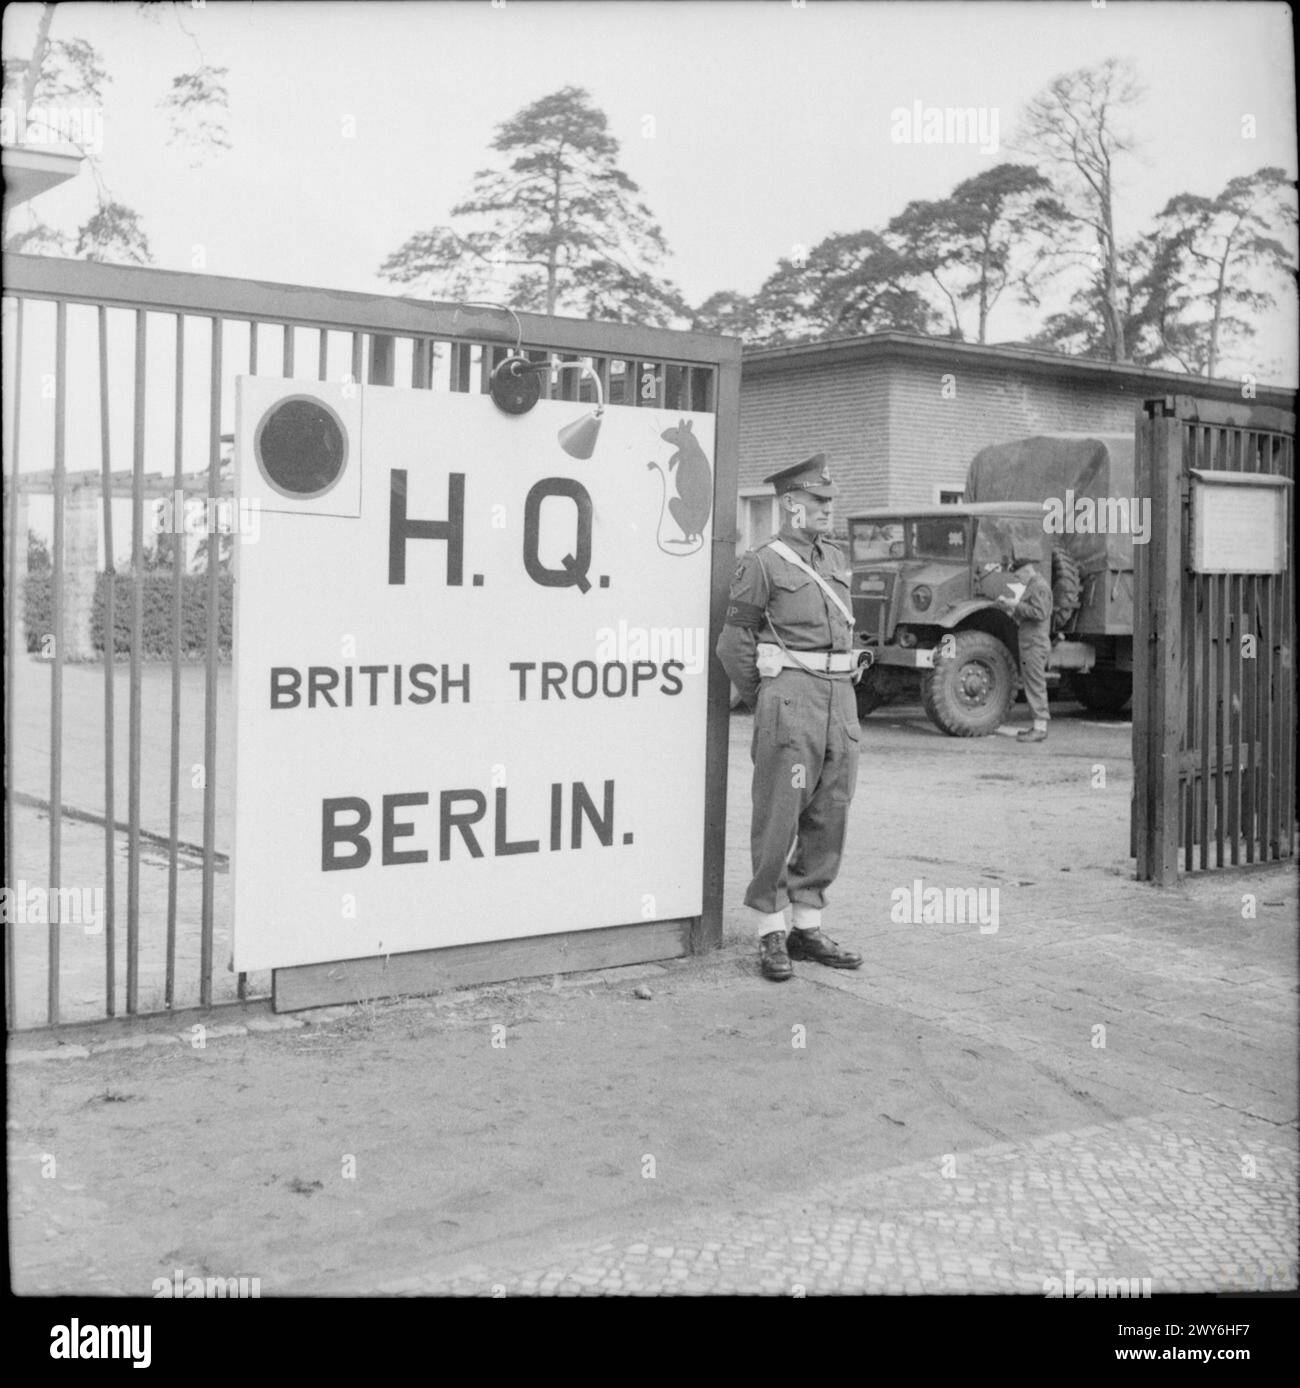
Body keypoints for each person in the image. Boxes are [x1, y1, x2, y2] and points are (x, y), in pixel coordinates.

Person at [716, 453, 864, 982]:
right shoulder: (762, 563)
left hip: (839, 698)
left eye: (830, 501)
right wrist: (769, 698)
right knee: (779, 815)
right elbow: (733, 644)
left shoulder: (836, 560)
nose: (827, 509)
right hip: (791, 699)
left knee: (831, 812)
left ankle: (808, 927)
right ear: (789, 506)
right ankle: (770, 931)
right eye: (817, 502)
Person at [995, 553, 1054, 742]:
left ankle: (1040, 729)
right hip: (1031, 644)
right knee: (1032, 684)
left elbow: (1040, 613)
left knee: (1036, 685)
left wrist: (1015, 604)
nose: (1018, 580)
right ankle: (1037, 726)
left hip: (1035, 645)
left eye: (1019, 576)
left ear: (1028, 571)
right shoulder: (1034, 585)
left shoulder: (1039, 587)